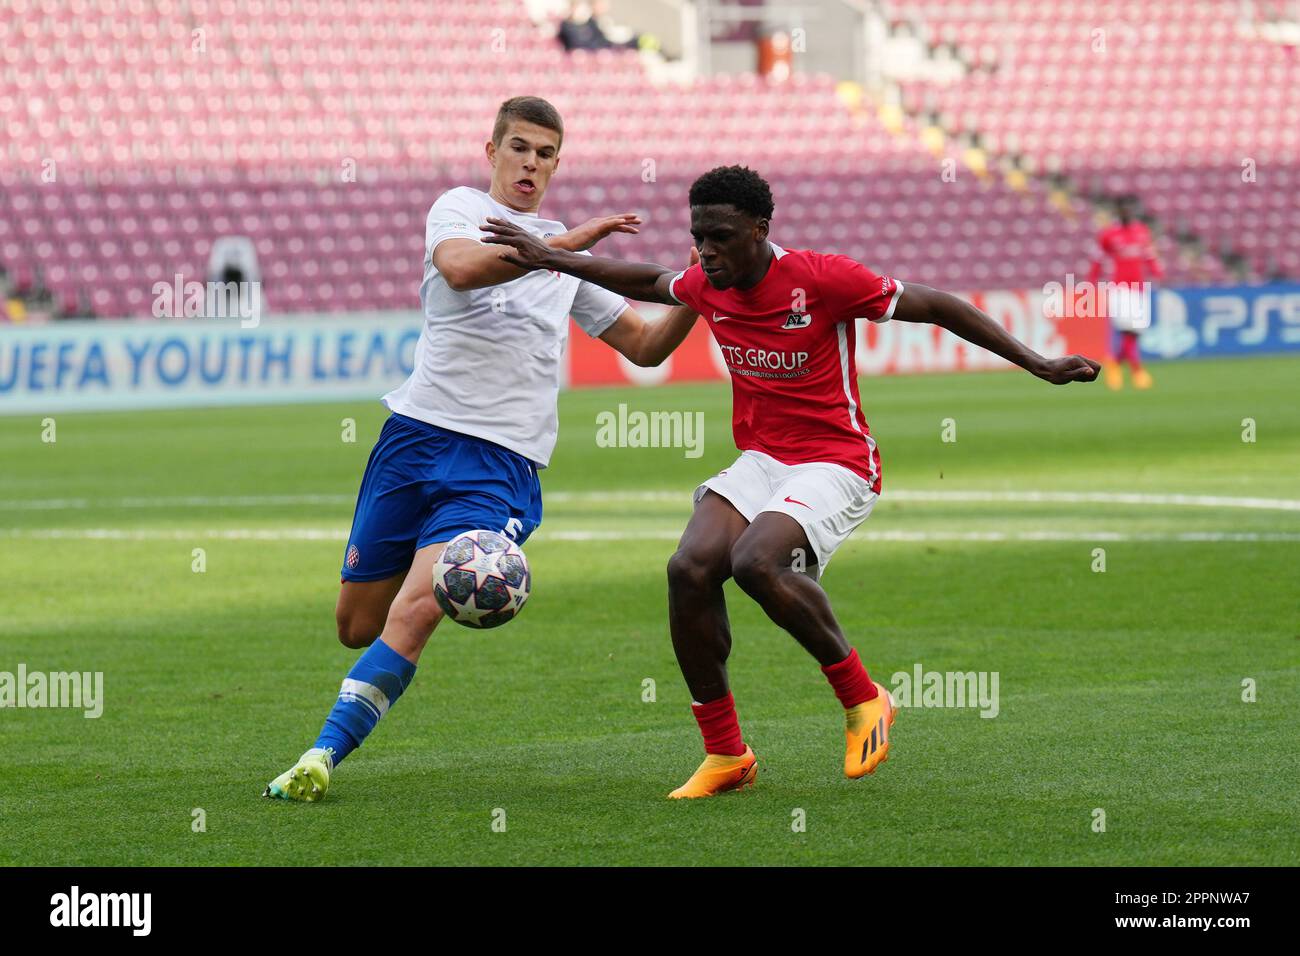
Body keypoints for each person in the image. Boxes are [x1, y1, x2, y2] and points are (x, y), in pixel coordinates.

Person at [483, 165, 1100, 798]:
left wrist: (1039, 363)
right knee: (689, 569)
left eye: (721, 235)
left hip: (837, 459)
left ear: (759, 229)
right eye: (699, 235)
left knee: (757, 563)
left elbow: (937, 305)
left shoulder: (821, 279)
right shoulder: (707, 282)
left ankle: (865, 699)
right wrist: (548, 260)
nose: (708, 250)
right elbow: (642, 279)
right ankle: (726, 755)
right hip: (763, 459)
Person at [263, 96, 698, 802]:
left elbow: (644, 345)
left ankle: (320, 756)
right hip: (414, 438)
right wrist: (562, 247)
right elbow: (464, 270)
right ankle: (418, 569)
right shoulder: (459, 209)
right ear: (491, 150)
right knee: (356, 625)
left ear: (558, 163)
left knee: (420, 607)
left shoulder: (567, 257)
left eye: (545, 153)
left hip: (498, 464)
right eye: (520, 147)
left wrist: (697, 292)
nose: (531, 163)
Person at [1088, 195, 1163, 390]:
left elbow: (1149, 255)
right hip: (1119, 289)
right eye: (1123, 209)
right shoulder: (1109, 234)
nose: (1127, 212)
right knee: (1127, 330)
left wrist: (1157, 273)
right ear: (1118, 211)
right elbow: (1098, 259)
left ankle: (1113, 362)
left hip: (1138, 289)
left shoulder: (1141, 231)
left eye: (1130, 208)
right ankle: (1138, 372)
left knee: (1134, 334)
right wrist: (1091, 282)